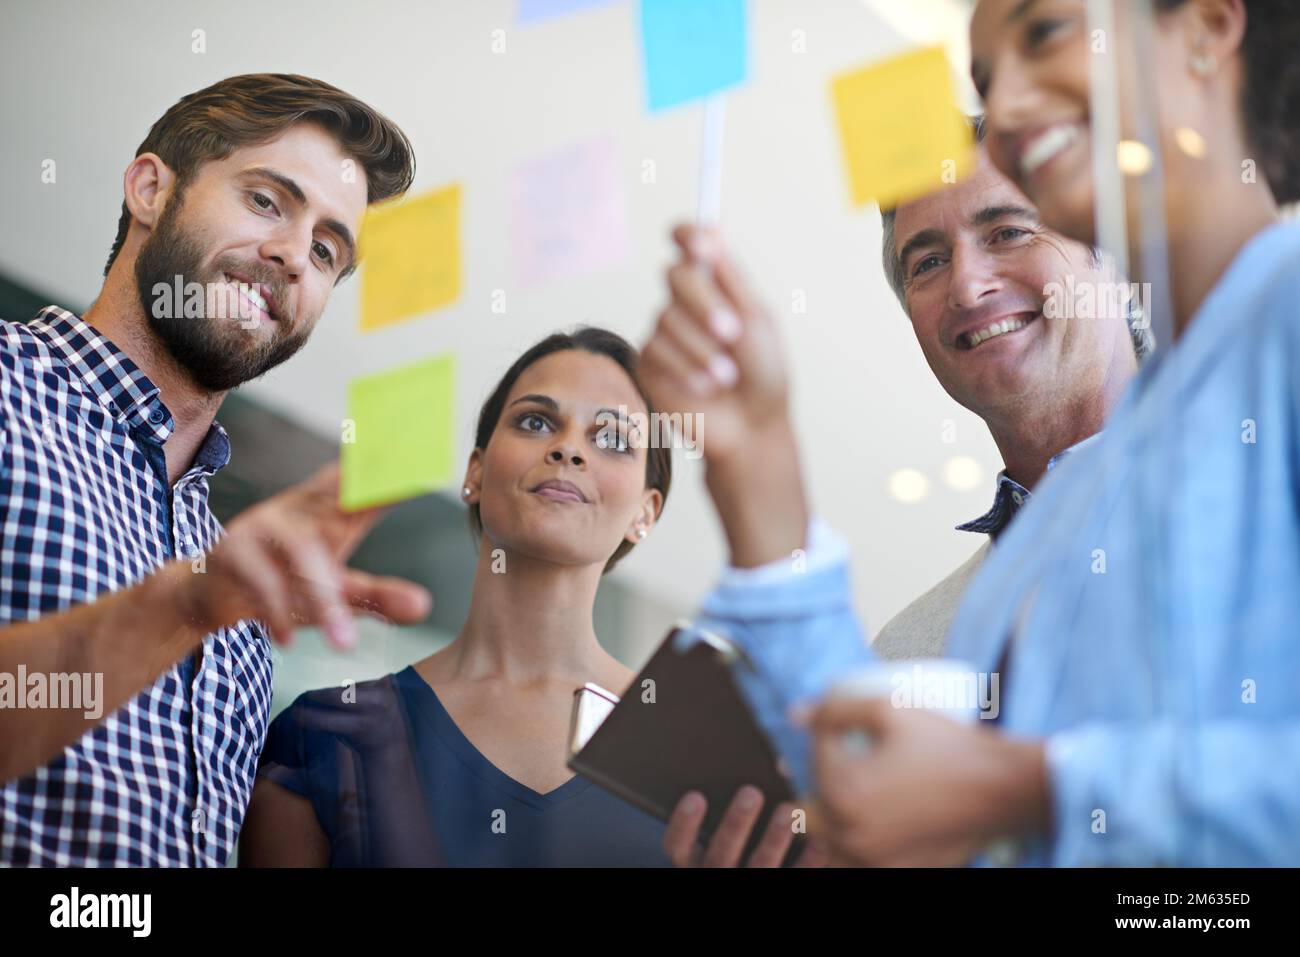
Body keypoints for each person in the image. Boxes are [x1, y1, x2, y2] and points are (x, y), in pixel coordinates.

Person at [649, 0, 1300, 866]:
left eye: (1044, 33)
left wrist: (1031, 790)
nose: (1012, 103)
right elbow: (901, 792)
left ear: (1208, 29)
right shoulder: (1032, 551)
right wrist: (759, 463)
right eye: (927, 261)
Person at [648, 119, 1148, 866]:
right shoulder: (905, 651)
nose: (968, 285)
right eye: (928, 261)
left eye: (1009, 231)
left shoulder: (1263, 497)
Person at [0, 73, 432, 866]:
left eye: (327, 250)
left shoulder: (240, 598)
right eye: (267, 201)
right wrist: (179, 608)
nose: (292, 256)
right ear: (150, 189)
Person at [240, 328, 676, 867]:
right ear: (475, 472)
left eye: (612, 439)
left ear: (645, 513)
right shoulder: (325, 737)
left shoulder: (693, 755)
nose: (568, 448)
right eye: (535, 422)